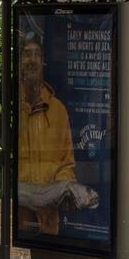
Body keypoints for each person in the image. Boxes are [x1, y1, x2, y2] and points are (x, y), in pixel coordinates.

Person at [17, 33, 98, 234]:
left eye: (37, 54)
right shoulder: (12, 106)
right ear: (19, 61)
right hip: (19, 213)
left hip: (49, 217)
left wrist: (58, 191)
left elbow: (67, 161)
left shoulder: (58, 110)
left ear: (43, 61)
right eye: (27, 54)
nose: (32, 60)